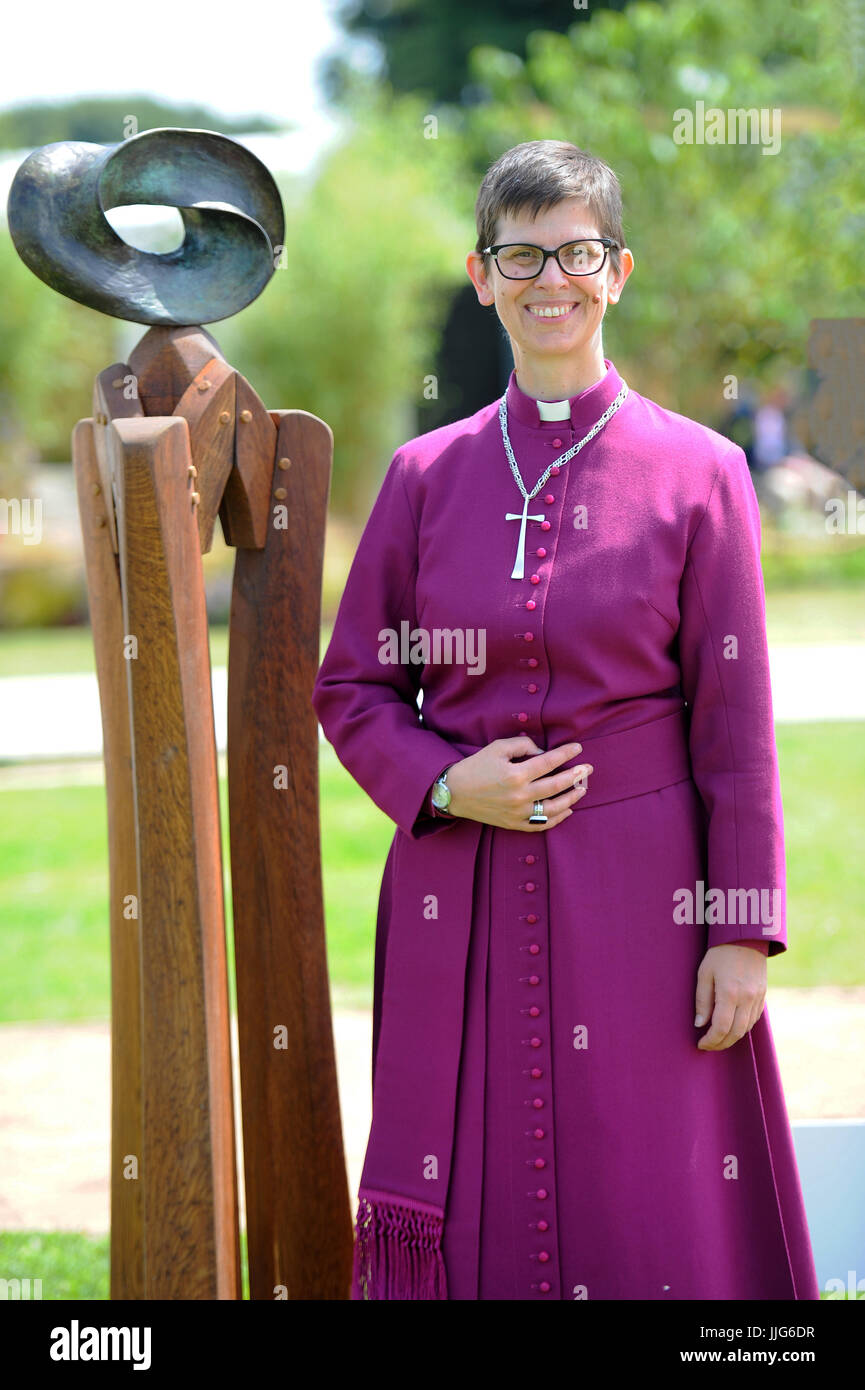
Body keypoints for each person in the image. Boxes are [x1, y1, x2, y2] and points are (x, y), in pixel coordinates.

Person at [311, 139, 819, 1301]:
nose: (553, 279)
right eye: (522, 254)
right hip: (463, 888)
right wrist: (445, 783)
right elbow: (351, 686)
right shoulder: (423, 476)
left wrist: (740, 931)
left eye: (577, 252)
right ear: (481, 275)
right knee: (480, 1172)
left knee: (648, 1178)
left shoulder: (702, 472)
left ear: (619, 269)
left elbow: (736, 728)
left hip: (647, 890)